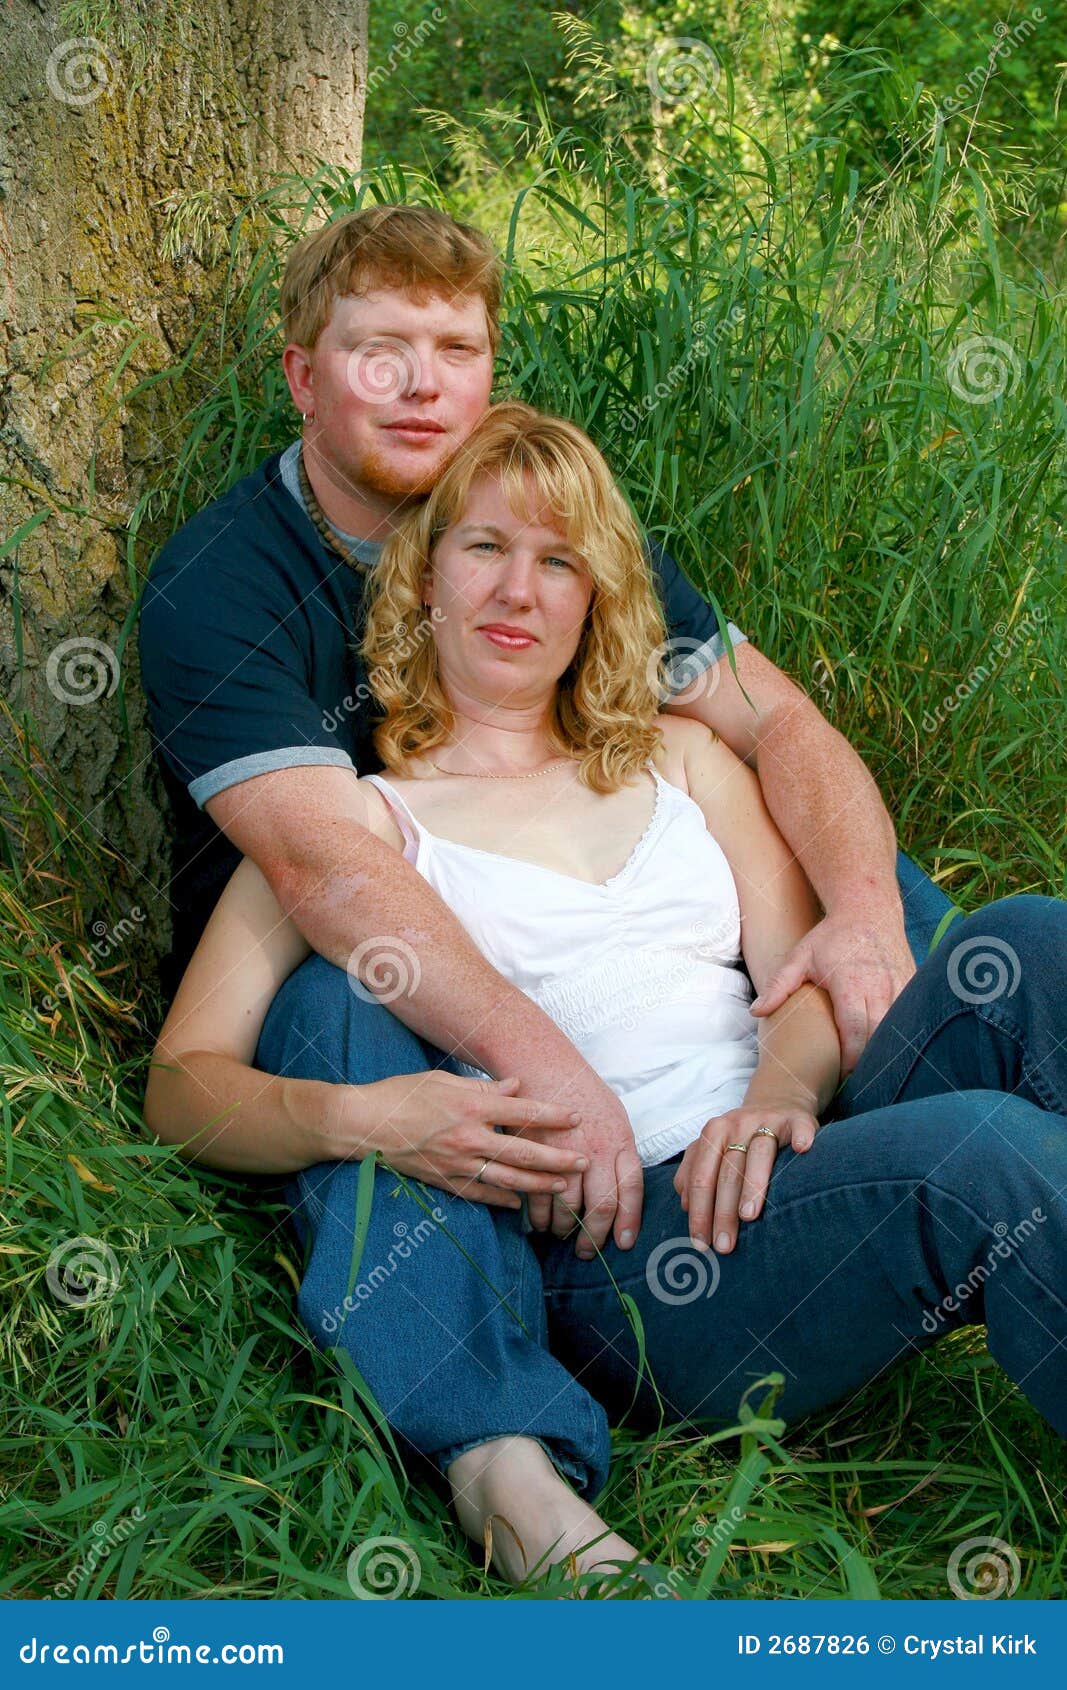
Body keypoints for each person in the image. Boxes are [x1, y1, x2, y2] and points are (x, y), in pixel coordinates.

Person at [143, 403, 1067, 1594]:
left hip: (792, 1155)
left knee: (1027, 940)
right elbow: (182, 1084)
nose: (516, 591)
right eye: (484, 548)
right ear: (421, 581)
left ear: (596, 600)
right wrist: (363, 1118)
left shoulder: (679, 759)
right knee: (985, 1154)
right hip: (637, 1253)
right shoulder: (362, 834)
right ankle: (514, 1475)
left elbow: (794, 976)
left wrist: (777, 1096)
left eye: (558, 560)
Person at [137, 203, 951, 1263]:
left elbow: (775, 719)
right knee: (345, 999)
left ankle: (904, 1147)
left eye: (455, 350)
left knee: (882, 893)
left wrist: (861, 915)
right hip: (350, 960)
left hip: (596, 902)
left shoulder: (542, 520)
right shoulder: (221, 585)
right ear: (303, 377)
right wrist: (556, 1070)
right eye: (380, 352)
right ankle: (494, 1335)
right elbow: (324, 868)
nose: (422, 386)